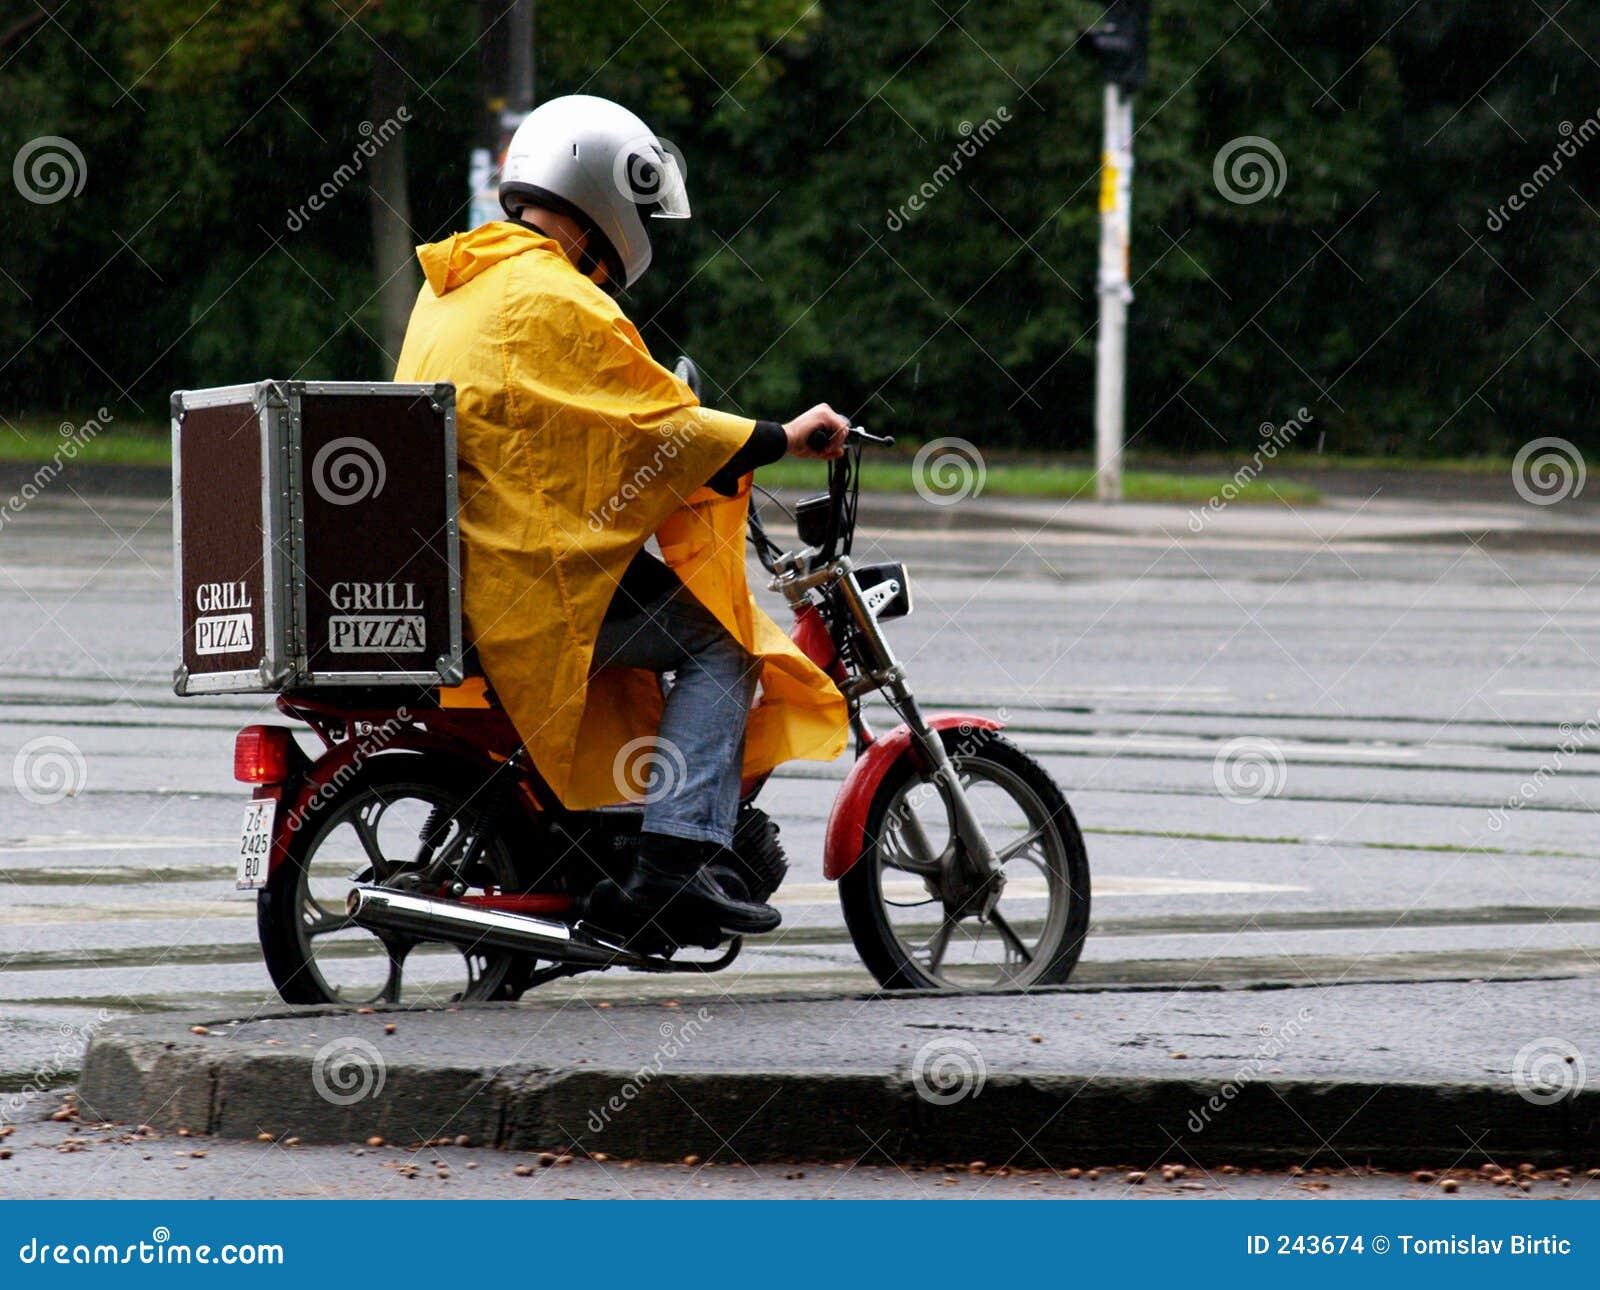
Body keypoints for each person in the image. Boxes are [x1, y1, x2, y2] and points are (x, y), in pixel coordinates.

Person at [394, 94, 850, 948]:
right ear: (604, 192)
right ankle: (674, 864)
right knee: (723, 641)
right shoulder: (554, 297)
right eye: (637, 208)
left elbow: (571, 427)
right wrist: (779, 437)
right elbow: (660, 426)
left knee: (668, 628)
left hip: (476, 559)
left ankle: (608, 836)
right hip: (533, 581)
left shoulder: (455, 285)